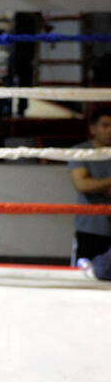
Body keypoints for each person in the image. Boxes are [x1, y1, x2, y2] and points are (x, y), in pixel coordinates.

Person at [70, 105, 111, 275]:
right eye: (105, 125)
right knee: (83, 277)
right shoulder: (80, 151)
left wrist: (97, 184)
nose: (110, 130)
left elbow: (88, 184)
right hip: (91, 227)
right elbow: (82, 185)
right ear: (93, 128)